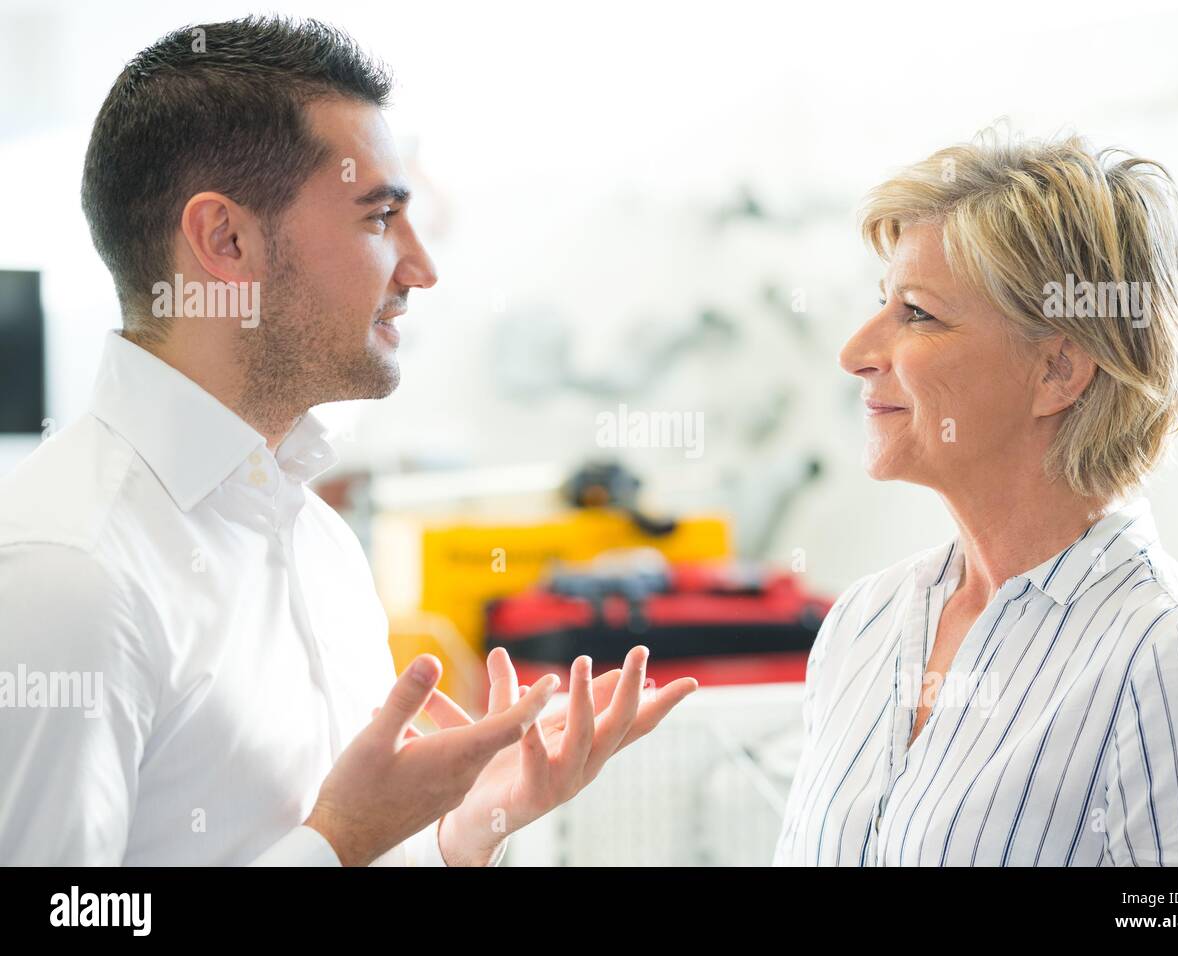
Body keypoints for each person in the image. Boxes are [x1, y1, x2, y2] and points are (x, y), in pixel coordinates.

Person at [0, 15, 697, 867]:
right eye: (379, 219)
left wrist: (467, 827)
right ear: (227, 241)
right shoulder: (65, 572)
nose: (421, 267)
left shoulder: (316, 540)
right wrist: (338, 842)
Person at [774, 130, 1178, 866]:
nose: (856, 351)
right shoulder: (863, 624)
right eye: (881, 303)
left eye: (917, 313)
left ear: (1059, 369)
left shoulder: (1171, 661)